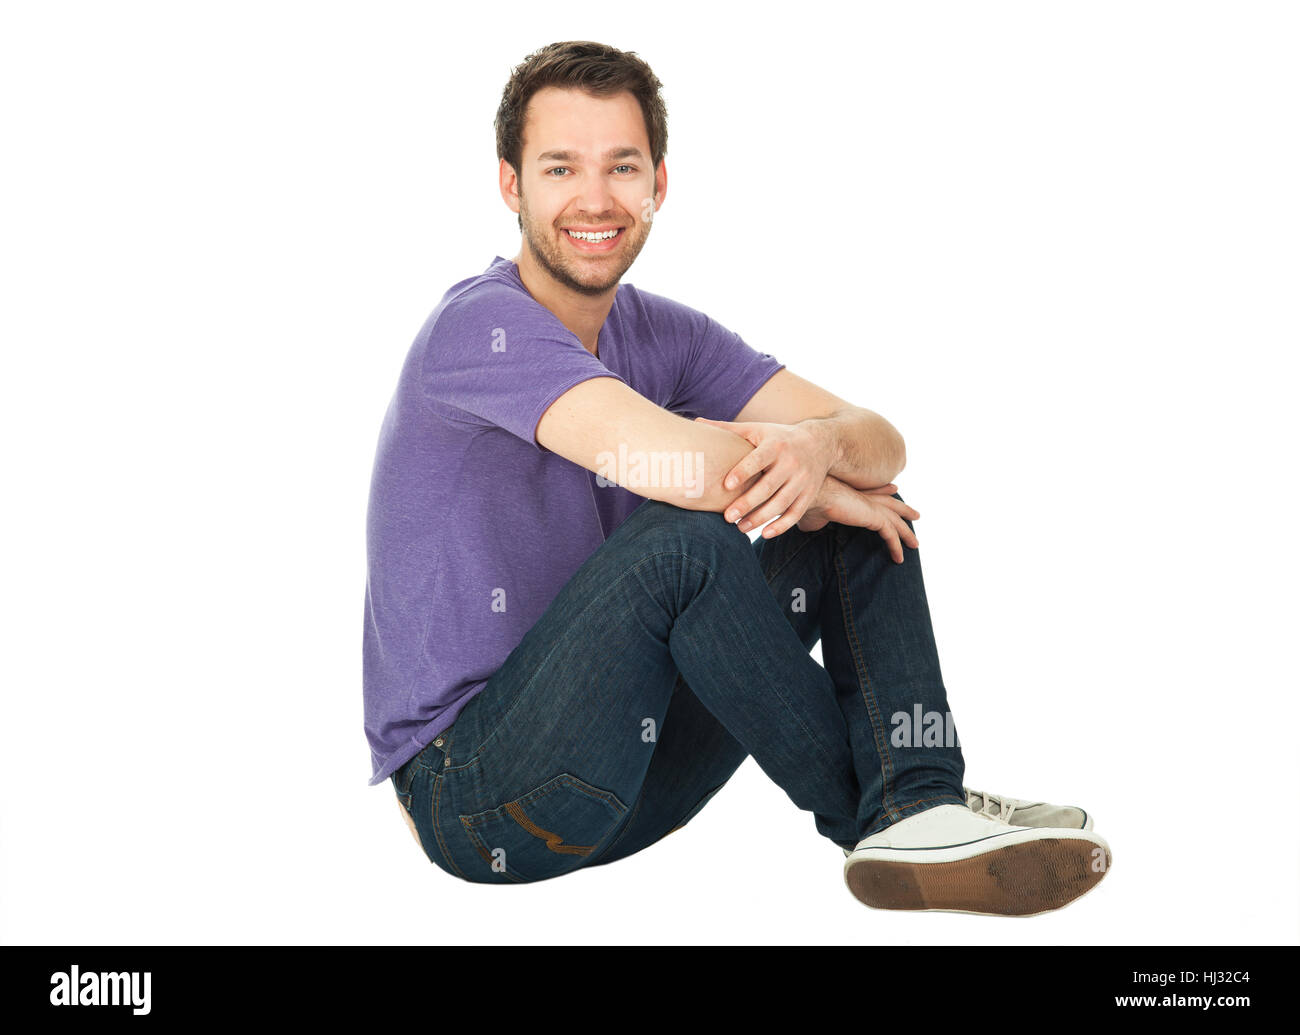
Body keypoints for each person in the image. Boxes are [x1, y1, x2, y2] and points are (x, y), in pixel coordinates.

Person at [362, 40, 1112, 916]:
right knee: (686, 542)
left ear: (658, 186)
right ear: (510, 184)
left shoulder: (665, 333)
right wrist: (809, 464)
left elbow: (879, 439)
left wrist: (826, 460)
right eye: (560, 167)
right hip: (479, 796)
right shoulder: (479, 331)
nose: (595, 198)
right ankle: (894, 804)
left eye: (622, 166)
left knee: (863, 513)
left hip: (633, 780)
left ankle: (915, 801)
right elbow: (677, 471)